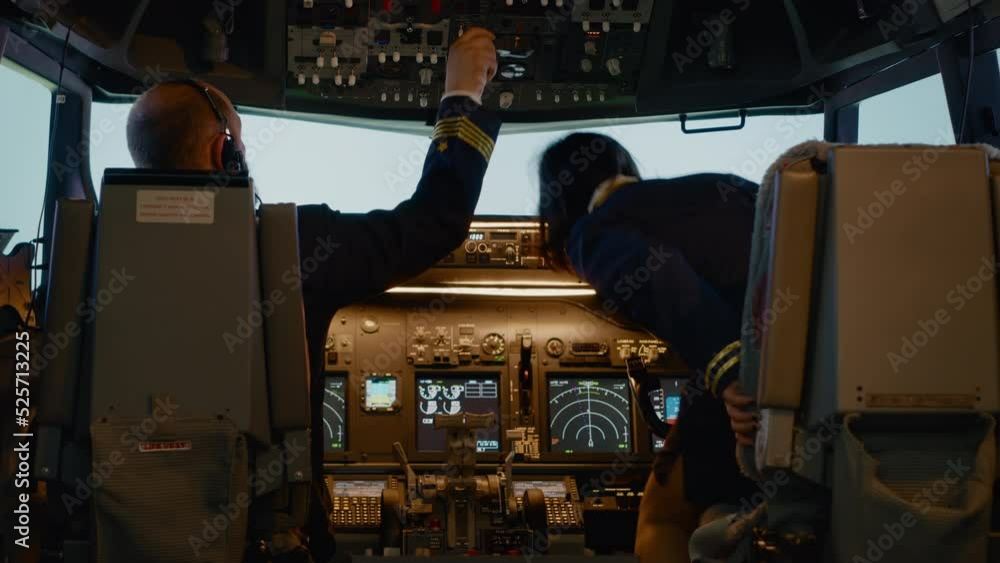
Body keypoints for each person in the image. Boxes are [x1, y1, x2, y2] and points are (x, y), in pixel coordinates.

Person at [124, 27, 500, 561]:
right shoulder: (289, 249)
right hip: (273, 543)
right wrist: (462, 93)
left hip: (124, 536)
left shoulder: (89, 262)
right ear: (223, 155)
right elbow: (435, 222)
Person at [536, 132, 759, 563]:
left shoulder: (593, 230)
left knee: (662, 516)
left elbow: (662, 278)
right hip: (818, 367)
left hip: (749, 377)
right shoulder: (722, 186)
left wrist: (731, 377)